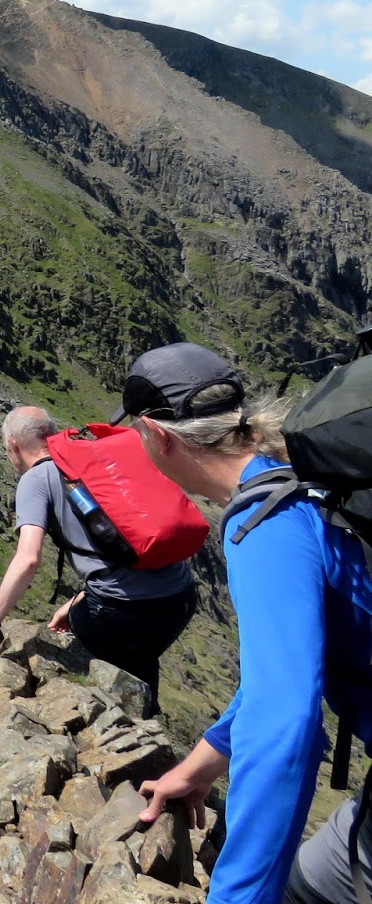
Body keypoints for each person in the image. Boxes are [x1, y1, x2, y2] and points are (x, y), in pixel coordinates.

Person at [128, 342, 372, 904]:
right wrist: (203, 763)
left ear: (158, 435)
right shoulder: (302, 473)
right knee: (313, 882)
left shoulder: (263, 525)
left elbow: (285, 723)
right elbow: (282, 671)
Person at [0, 405, 199, 717]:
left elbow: (27, 559)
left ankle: (116, 730)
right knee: (138, 658)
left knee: (91, 642)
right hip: (181, 599)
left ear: (13, 444)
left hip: (126, 612)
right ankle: (147, 722)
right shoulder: (89, 455)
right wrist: (79, 599)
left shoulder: (35, 479)